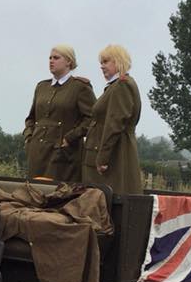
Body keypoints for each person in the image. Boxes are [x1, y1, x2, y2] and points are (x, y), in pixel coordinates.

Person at [23, 45, 96, 181]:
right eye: (50, 58)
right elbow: (31, 118)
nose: (51, 61)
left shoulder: (80, 87)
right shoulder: (41, 87)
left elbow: (92, 118)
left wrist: (70, 138)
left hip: (64, 156)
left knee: (58, 197)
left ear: (69, 61)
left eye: (56, 58)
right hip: (37, 154)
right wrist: (29, 137)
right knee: (34, 195)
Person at [82, 44, 143, 194]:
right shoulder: (116, 85)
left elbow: (114, 124)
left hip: (116, 153)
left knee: (109, 198)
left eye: (106, 62)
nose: (102, 67)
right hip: (113, 150)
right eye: (101, 63)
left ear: (118, 61)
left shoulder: (122, 85)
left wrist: (102, 158)